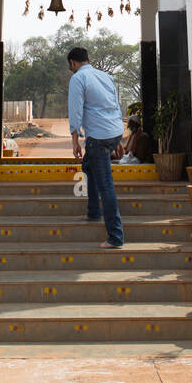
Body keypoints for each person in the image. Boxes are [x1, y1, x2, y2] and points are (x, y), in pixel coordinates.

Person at [67, 47, 125, 248]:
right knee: (89, 166)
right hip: (114, 130)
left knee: (106, 185)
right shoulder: (105, 76)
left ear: (73, 63)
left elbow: (75, 111)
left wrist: (75, 141)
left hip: (98, 137)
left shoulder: (77, 79)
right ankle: (93, 211)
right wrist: (119, 139)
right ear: (88, 59)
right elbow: (116, 106)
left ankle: (115, 237)